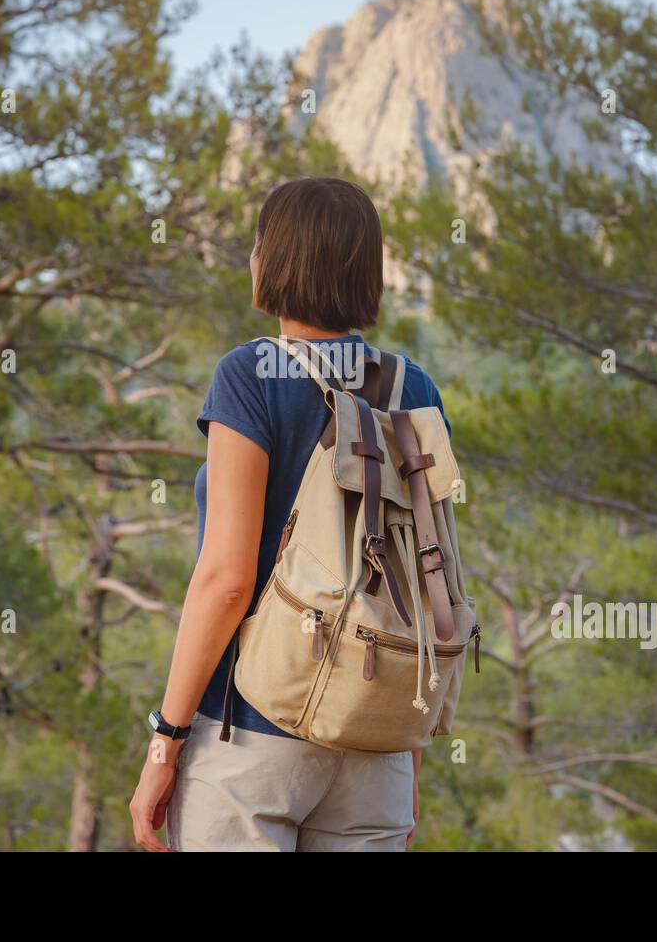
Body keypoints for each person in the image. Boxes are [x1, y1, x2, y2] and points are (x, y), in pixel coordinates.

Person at [128, 176, 451, 852]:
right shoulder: (413, 387)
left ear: (274, 260)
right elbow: (420, 583)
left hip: (249, 735)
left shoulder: (248, 375)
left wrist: (165, 740)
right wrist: (407, 759)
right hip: (376, 743)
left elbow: (226, 581)